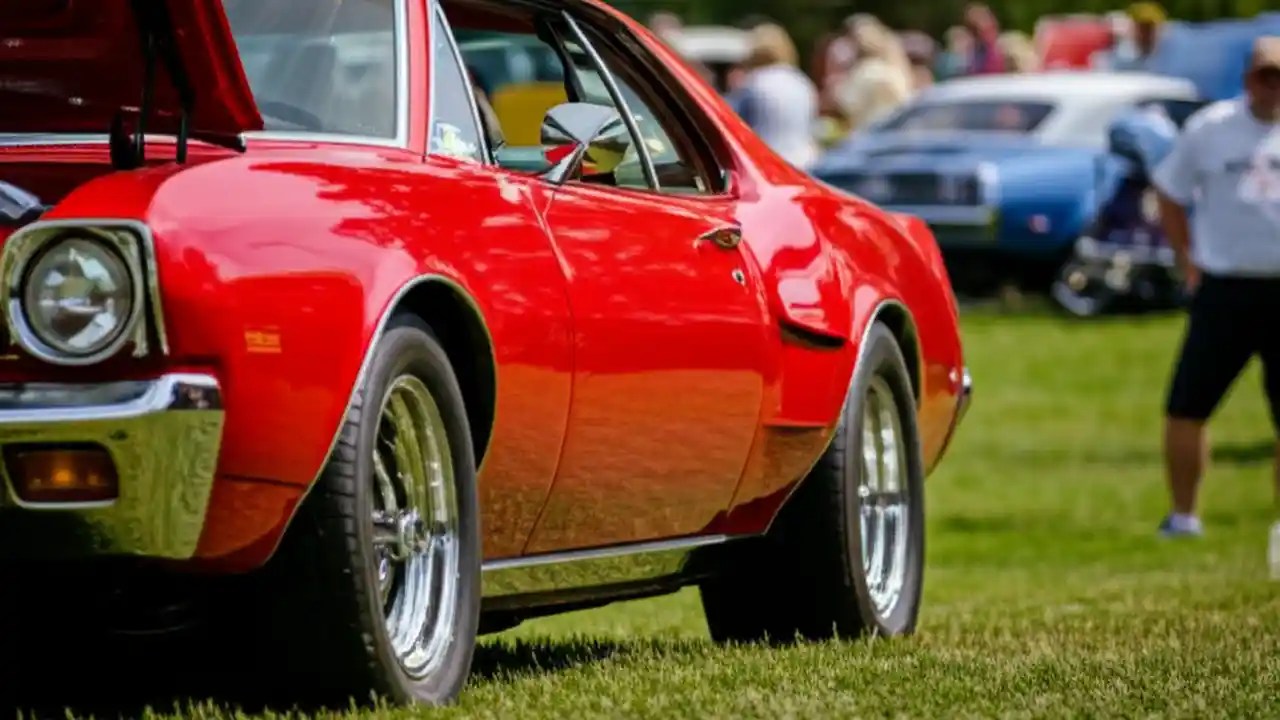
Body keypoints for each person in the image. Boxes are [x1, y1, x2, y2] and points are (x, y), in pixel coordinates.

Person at [1150, 37, 1280, 537]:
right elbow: (1169, 190)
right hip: (1226, 287)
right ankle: (1184, 516)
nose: (1272, 87)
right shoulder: (1211, 129)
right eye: (1265, 76)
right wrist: (1186, 257)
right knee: (1188, 405)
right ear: (1248, 79)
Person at [733, 23, 820, 169]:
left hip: (769, 162)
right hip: (807, 161)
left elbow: (738, 125)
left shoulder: (755, 82)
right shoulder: (801, 81)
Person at [1100, 2, 1166, 71]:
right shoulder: (1121, 56)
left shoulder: (1168, 55)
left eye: (1148, 28)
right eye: (1141, 28)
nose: (1145, 33)